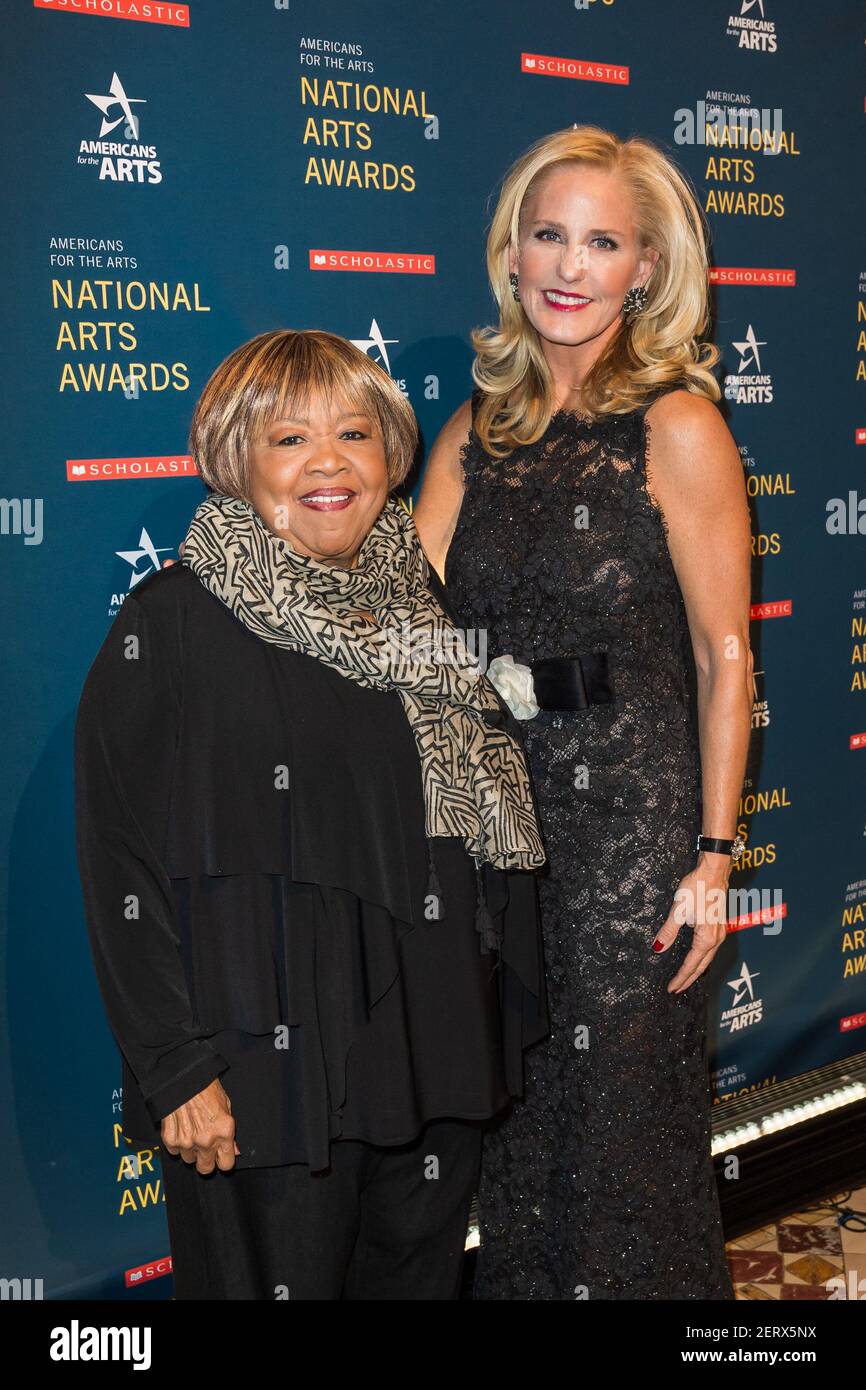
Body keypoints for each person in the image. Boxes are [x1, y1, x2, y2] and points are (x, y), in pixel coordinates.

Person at [74, 327, 548, 1301]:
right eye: (289, 439)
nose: (329, 462)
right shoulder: (174, 622)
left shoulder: (418, 612)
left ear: (390, 456)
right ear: (237, 457)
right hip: (261, 1082)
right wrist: (175, 1070)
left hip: (430, 1058)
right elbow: (119, 864)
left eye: (353, 432)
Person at [413, 126, 752, 1300]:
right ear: (510, 254)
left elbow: (723, 658)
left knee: (622, 1146)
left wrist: (712, 856)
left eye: (601, 241)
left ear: (645, 270)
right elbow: (416, 637)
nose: (569, 263)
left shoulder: (676, 426)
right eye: (548, 233)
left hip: (632, 848)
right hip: (503, 844)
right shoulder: (470, 433)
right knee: (521, 1139)